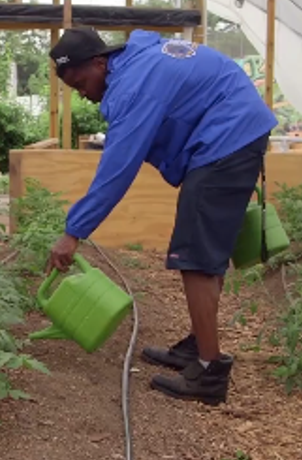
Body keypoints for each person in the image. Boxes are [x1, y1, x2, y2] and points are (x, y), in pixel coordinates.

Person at [45, 26, 277, 406]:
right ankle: (199, 345)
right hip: (233, 133)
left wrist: (74, 232)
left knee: (194, 257)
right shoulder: (140, 62)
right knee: (202, 248)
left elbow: (117, 169)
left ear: (100, 63)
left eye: (81, 83)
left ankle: (209, 371)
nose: (82, 94)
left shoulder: (134, 87)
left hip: (227, 138)